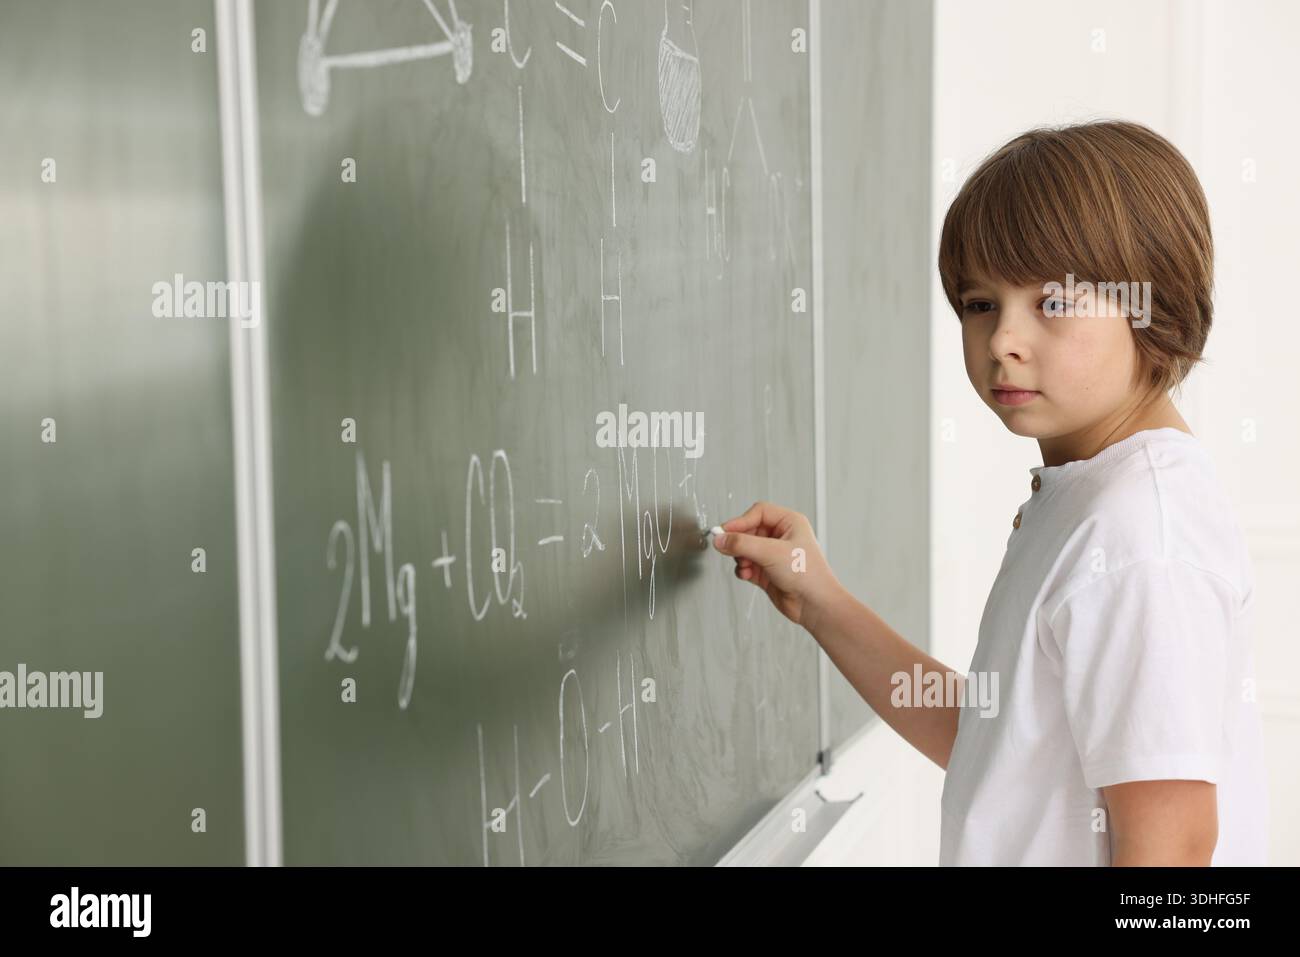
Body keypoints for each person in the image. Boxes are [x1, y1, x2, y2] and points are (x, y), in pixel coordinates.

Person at [712, 120, 1268, 866]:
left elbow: (1171, 857)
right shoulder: (1091, 495)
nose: (1004, 337)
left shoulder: (1142, 535)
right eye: (980, 303)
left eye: (1054, 303)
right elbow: (987, 736)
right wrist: (819, 598)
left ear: (1154, 305)